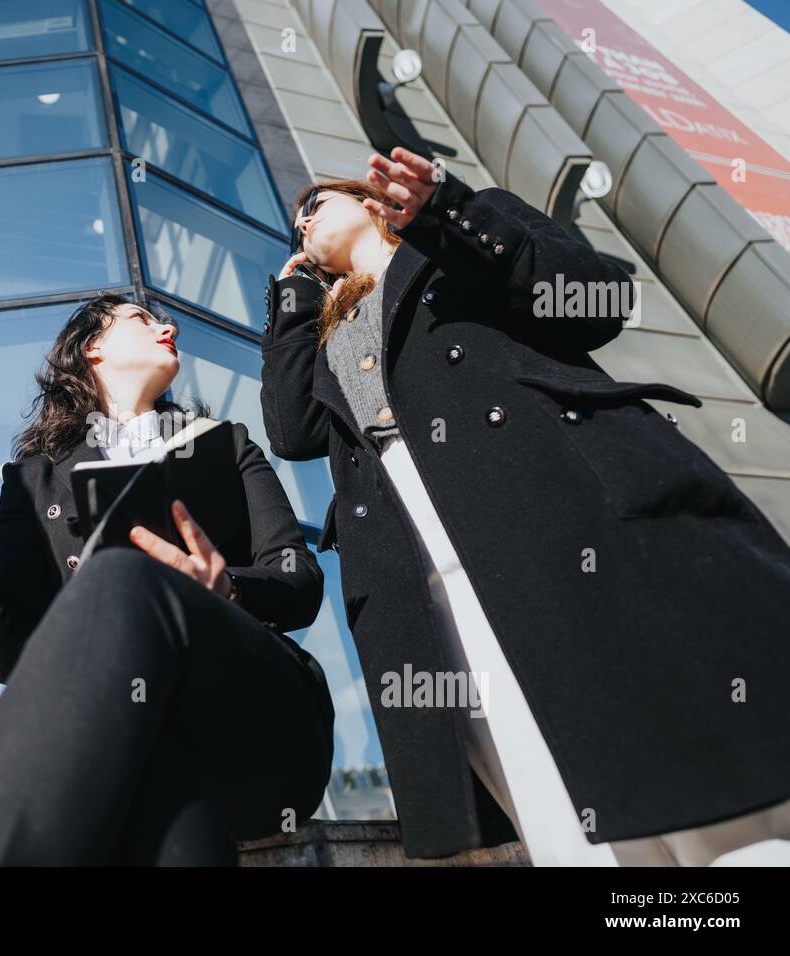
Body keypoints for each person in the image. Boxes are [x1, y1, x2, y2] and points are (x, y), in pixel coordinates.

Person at [260, 145, 790, 865]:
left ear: (370, 196)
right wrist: (292, 306)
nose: (303, 220)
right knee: (563, 819)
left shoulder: (456, 237)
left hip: (550, 514)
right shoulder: (328, 327)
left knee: (701, 791)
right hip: (421, 578)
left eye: (316, 201)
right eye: (294, 225)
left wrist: (449, 210)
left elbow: (598, 296)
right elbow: (293, 432)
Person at [0, 293, 335, 865]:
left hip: (258, 724)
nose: (169, 327)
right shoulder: (34, 481)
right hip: (137, 748)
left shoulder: (224, 442)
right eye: (142, 319)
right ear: (92, 348)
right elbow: (15, 654)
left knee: (120, 576)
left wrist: (226, 589)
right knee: (160, 784)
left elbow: (300, 580)